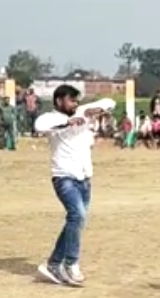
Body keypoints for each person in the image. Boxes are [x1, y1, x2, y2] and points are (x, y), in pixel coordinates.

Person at [33, 88, 113, 287]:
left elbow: (110, 102)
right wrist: (68, 123)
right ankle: (71, 263)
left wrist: (97, 109)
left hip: (84, 178)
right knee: (77, 216)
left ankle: (53, 264)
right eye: (71, 101)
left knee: (76, 220)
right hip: (64, 178)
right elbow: (38, 126)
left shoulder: (82, 111)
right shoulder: (50, 118)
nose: (75, 104)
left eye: (77, 101)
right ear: (59, 101)